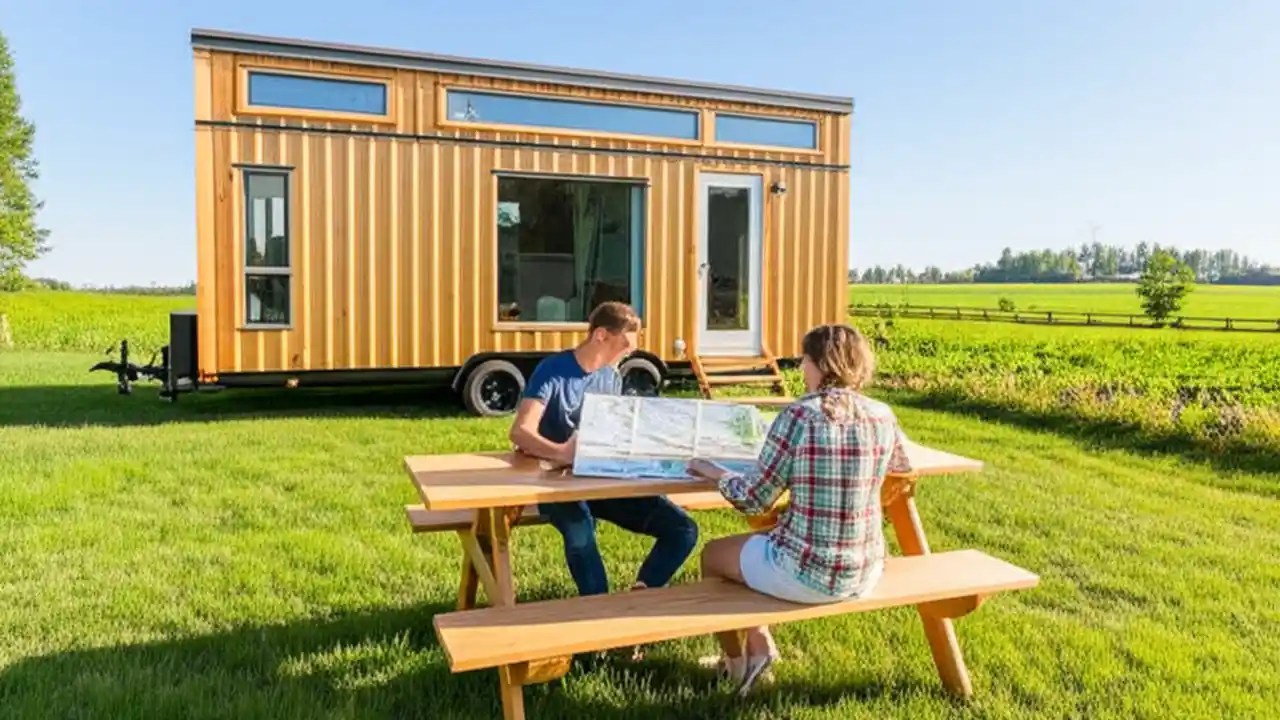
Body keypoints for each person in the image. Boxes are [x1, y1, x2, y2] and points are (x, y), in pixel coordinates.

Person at [688, 323, 913, 695]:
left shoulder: (799, 416)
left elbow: (755, 498)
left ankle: (735, 663)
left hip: (807, 573)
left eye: (805, 360)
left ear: (823, 365)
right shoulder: (882, 414)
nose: (801, 368)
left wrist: (716, 473)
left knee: (713, 557)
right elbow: (902, 468)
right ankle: (760, 646)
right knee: (758, 543)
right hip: (863, 570)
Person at [508, 301, 700, 612]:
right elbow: (520, 432)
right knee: (581, 528)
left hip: (602, 481)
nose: (628, 352)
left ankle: (639, 599)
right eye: (625, 344)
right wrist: (561, 453)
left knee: (683, 529)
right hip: (556, 487)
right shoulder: (553, 371)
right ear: (600, 335)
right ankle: (600, 614)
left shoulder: (610, 377)